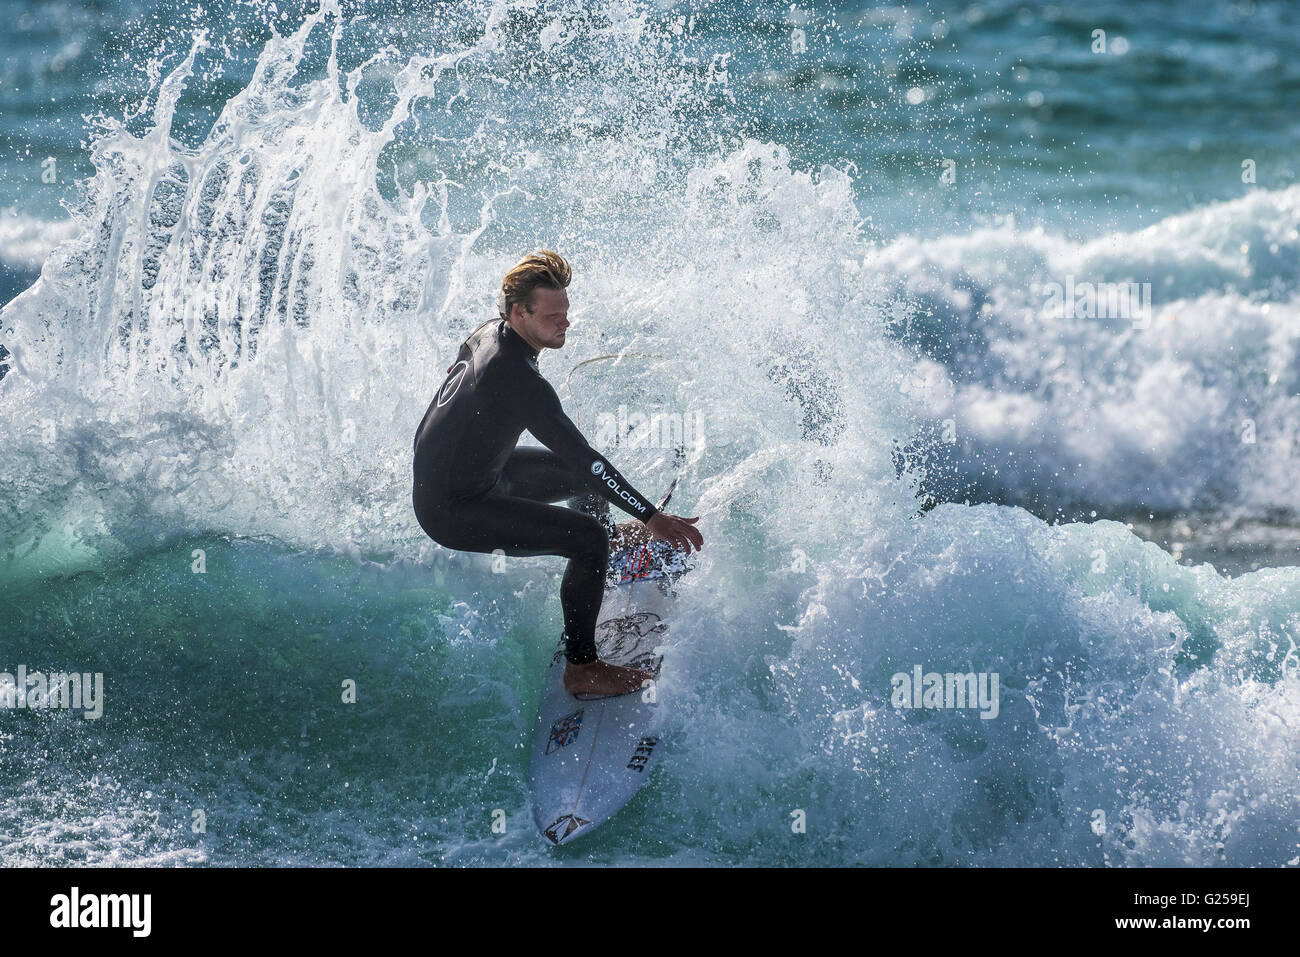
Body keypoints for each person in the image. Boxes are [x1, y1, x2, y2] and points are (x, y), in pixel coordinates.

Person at [412, 250, 704, 697]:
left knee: (584, 481)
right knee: (587, 537)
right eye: (552, 316)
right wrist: (652, 517)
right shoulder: (519, 380)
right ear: (518, 311)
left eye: (565, 312)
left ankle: (609, 542)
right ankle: (582, 668)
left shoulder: (489, 334)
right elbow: (583, 459)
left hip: (480, 473)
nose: (565, 323)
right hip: (452, 508)